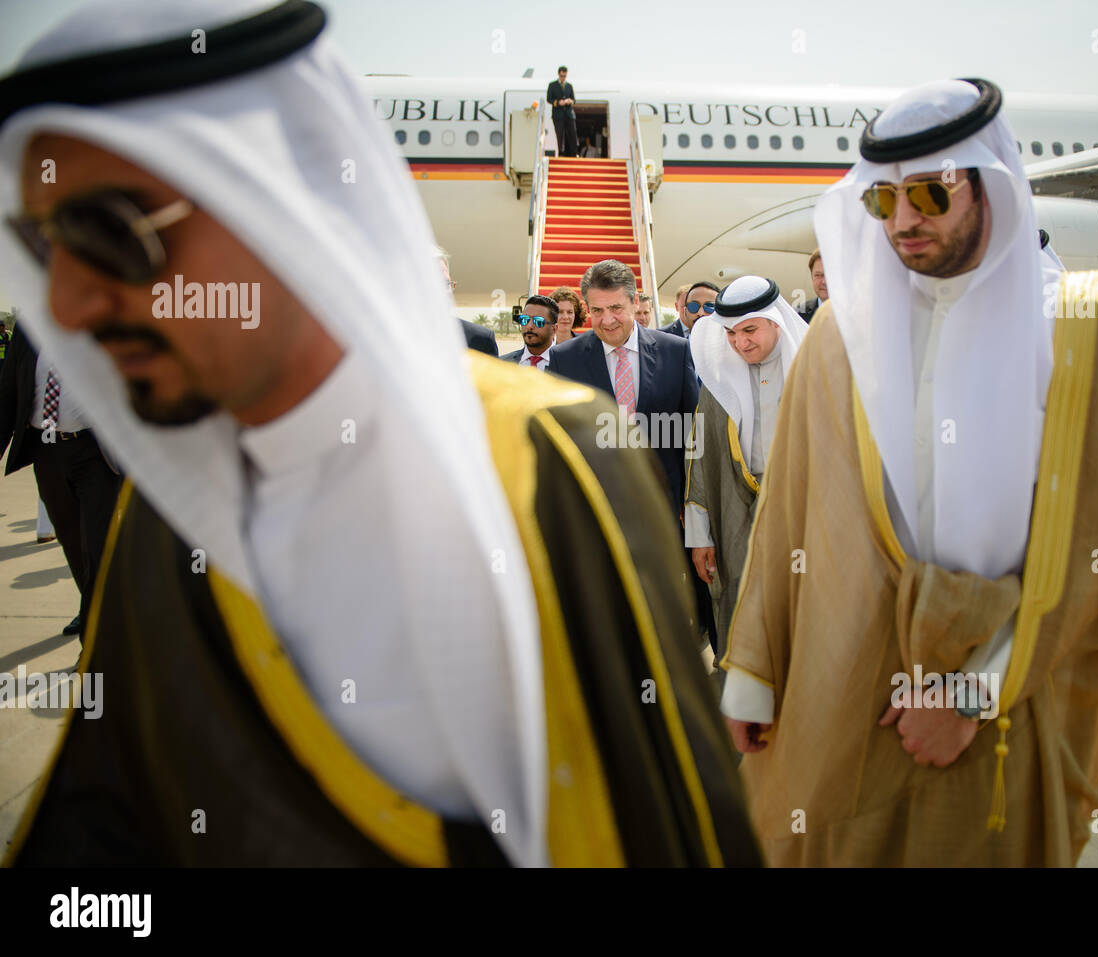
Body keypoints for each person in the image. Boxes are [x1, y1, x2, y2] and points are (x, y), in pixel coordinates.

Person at [0, 0, 758, 868]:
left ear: (283, 202)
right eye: (43, 245)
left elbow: (673, 821)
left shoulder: (551, 460)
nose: (67, 305)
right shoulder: (161, 510)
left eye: (112, 236)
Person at [719, 78, 1098, 866]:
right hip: (844, 690)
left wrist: (973, 694)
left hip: (1000, 707)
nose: (904, 222)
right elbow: (789, 516)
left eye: (933, 194)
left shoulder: (1081, 326)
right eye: (883, 202)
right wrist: (755, 672)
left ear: (990, 186)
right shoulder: (841, 335)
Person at [685, 276, 806, 659]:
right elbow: (700, 461)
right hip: (735, 509)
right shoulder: (718, 381)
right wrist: (700, 536)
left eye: (750, 330)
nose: (740, 343)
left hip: (802, 510)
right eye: (731, 333)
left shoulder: (811, 371)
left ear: (776, 322)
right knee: (741, 604)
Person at [0, 320, 121, 635]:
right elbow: (8, 393)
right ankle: (91, 606)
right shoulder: (28, 330)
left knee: (96, 543)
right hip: (46, 452)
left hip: (95, 452)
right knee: (70, 540)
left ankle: (96, 642)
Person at [548, 260, 699, 511]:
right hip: (594, 511)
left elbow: (692, 435)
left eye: (616, 308)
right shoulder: (564, 360)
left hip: (666, 509)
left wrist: (693, 510)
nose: (607, 320)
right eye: (597, 310)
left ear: (635, 302)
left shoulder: (675, 351)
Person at [501, 295, 558, 370]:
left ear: (554, 329)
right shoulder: (502, 364)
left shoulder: (568, 364)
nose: (529, 326)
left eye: (538, 321)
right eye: (525, 320)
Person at [546, 66, 577, 158]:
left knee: (572, 133)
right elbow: (549, 99)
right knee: (560, 135)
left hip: (569, 114)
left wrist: (570, 101)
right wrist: (558, 103)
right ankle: (561, 153)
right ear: (558, 75)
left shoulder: (569, 86)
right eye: (561, 76)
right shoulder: (552, 85)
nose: (563, 78)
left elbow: (574, 100)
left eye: (565, 76)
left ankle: (573, 153)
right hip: (558, 115)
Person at [798, 249, 828, 323]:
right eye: (818, 275)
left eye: (829, 275)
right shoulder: (798, 314)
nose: (824, 282)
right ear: (812, 277)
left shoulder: (855, 313)